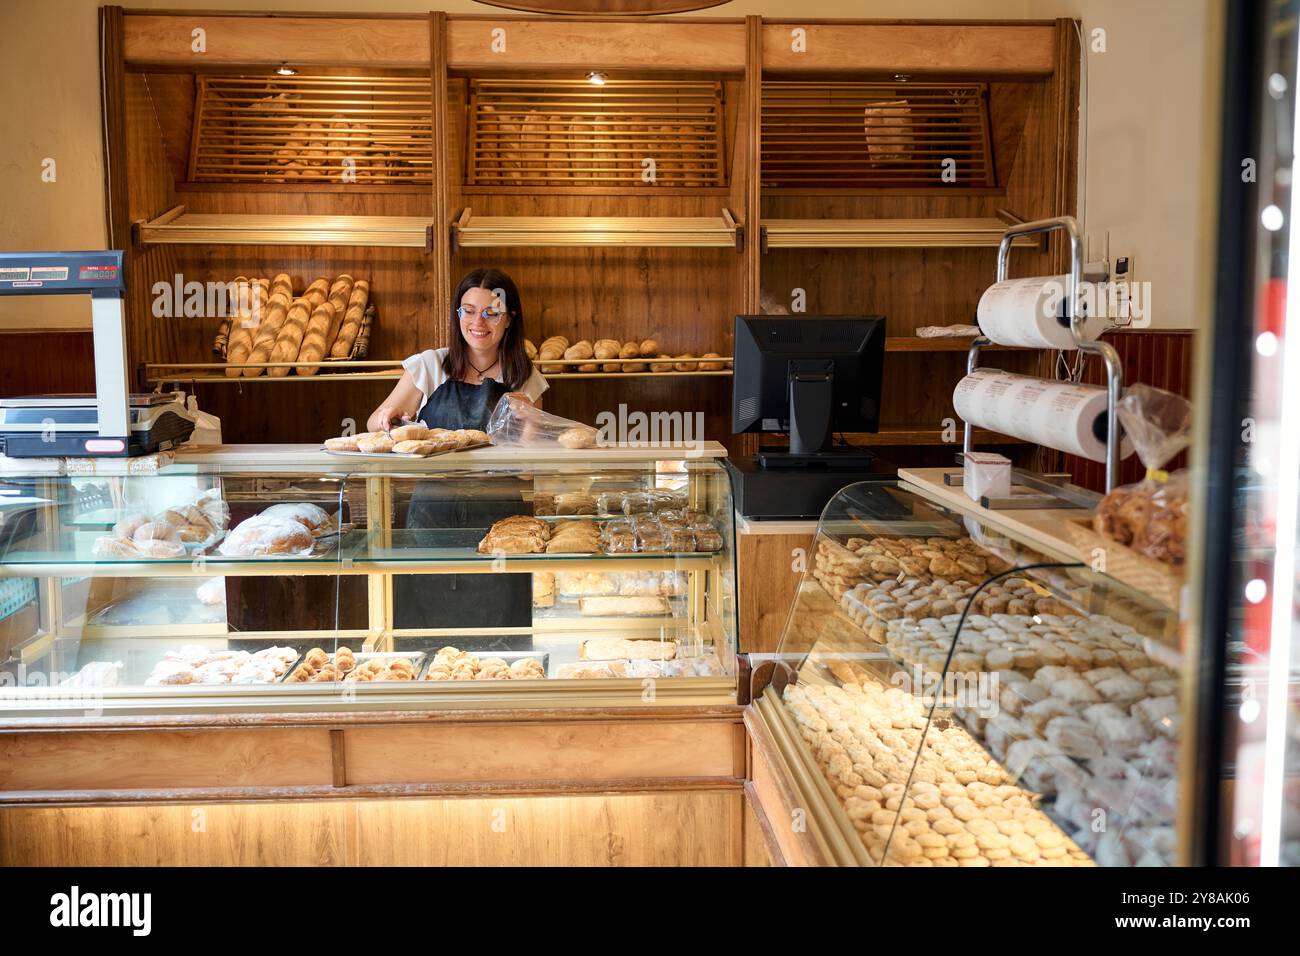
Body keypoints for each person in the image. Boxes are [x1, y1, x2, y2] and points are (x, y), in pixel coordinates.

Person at [368, 268, 548, 636]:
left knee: (500, 635)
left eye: (490, 312)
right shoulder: (429, 366)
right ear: (457, 314)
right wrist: (388, 418)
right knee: (429, 631)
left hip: (502, 522)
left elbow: (529, 470)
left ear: (509, 320)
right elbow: (375, 424)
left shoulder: (525, 377)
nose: (477, 322)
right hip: (430, 520)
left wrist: (528, 420)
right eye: (467, 310)